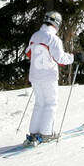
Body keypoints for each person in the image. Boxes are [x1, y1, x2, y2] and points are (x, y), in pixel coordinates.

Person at [24, 11, 80, 146]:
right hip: (48, 76)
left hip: (35, 76)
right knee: (50, 103)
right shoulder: (53, 39)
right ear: (57, 24)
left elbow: (28, 52)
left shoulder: (35, 35)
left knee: (39, 103)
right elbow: (59, 59)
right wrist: (74, 57)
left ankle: (34, 132)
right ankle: (46, 133)